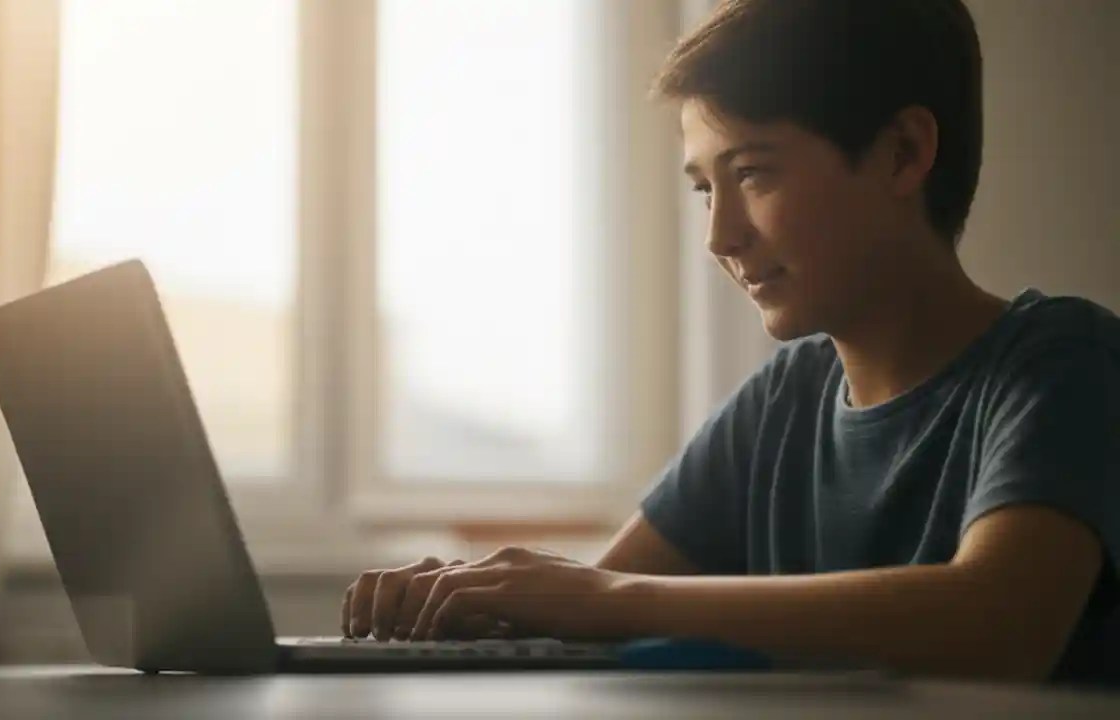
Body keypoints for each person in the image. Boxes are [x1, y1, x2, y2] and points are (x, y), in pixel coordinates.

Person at [340, 0, 1120, 682]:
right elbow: (591, 613)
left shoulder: (1062, 360)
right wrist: (477, 600)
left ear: (903, 153)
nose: (720, 236)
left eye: (753, 174)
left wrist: (605, 598)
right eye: (704, 189)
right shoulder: (786, 397)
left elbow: (998, 627)